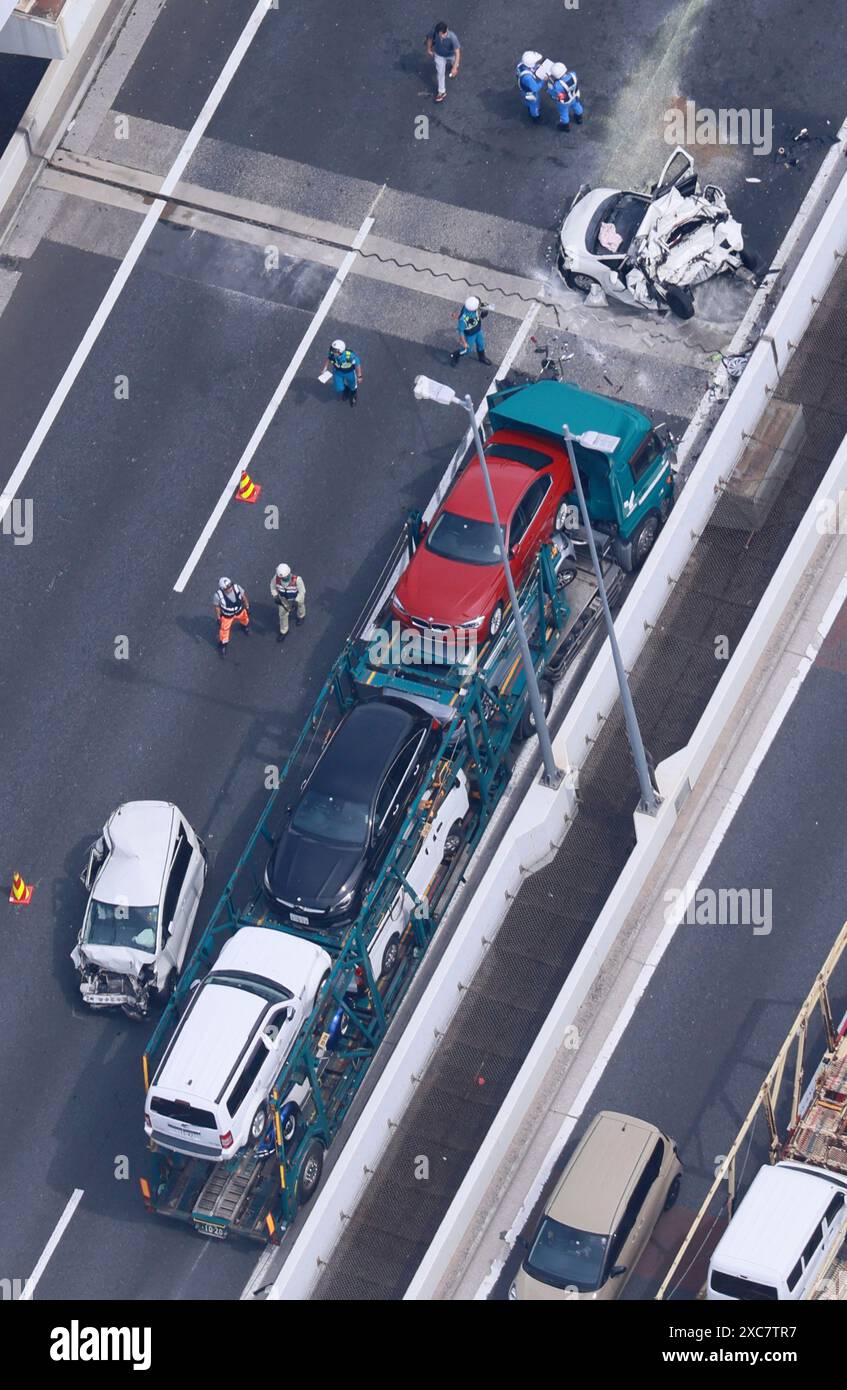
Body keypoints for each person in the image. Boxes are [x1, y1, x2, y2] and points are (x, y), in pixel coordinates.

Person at [450, 296, 492, 366]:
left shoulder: (472, 307)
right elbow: (461, 331)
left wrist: (486, 307)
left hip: (478, 330)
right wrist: (464, 342)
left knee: (481, 344)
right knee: (467, 350)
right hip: (470, 335)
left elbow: (489, 306)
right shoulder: (463, 320)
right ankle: (456, 354)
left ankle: (482, 357)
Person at [270, 563, 306, 644]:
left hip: (295, 598)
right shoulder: (276, 578)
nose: (282, 578)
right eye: (281, 577)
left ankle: (301, 616)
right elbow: (272, 587)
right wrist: (275, 596)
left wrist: (296, 601)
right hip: (283, 599)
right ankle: (284, 630)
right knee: (282, 615)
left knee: (300, 606)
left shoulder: (297, 580)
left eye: (283, 577)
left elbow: (302, 591)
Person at [213, 577, 250, 656]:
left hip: (240, 611)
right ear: (222, 589)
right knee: (224, 629)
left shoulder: (237, 588)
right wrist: (219, 618)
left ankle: (244, 626)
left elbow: (244, 597)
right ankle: (223, 643)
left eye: (230, 586)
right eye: (227, 588)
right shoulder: (218, 596)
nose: (229, 589)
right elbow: (217, 607)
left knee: (245, 619)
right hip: (227, 616)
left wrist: (247, 607)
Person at [426, 21, 460, 103]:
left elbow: (457, 52)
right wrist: (429, 50)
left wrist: (455, 67)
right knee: (440, 72)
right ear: (437, 32)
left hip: (451, 55)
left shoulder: (453, 37)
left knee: (455, 64)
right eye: (441, 34)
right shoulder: (434, 31)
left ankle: (453, 67)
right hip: (439, 55)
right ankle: (441, 92)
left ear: (447, 30)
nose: (443, 36)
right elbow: (430, 39)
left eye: (444, 34)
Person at [324, 339, 362, 406]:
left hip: (349, 372)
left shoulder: (349, 356)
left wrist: (359, 376)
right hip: (338, 372)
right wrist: (325, 367)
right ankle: (346, 390)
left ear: (341, 351)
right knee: (339, 388)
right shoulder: (332, 353)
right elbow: (328, 358)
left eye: (335, 351)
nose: (332, 352)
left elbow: (357, 364)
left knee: (353, 386)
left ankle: (353, 395)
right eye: (332, 349)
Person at [547, 62, 584, 131]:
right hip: (574, 96)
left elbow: (553, 94)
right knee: (577, 106)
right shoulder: (573, 74)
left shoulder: (557, 85)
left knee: (564, 113)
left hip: (564, 102)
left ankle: (565, 126)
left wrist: (550, 86)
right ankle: (579, 118)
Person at [516, 50, 546, 122]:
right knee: (534, 104)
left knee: (529, 102)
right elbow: (535, 88)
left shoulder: (520, 65)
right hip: (530, 93)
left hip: (524, 90)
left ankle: (529, 107)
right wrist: (543, 80)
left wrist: (538, 67)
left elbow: (532, 68)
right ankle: (535, 117)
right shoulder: (528, 78)